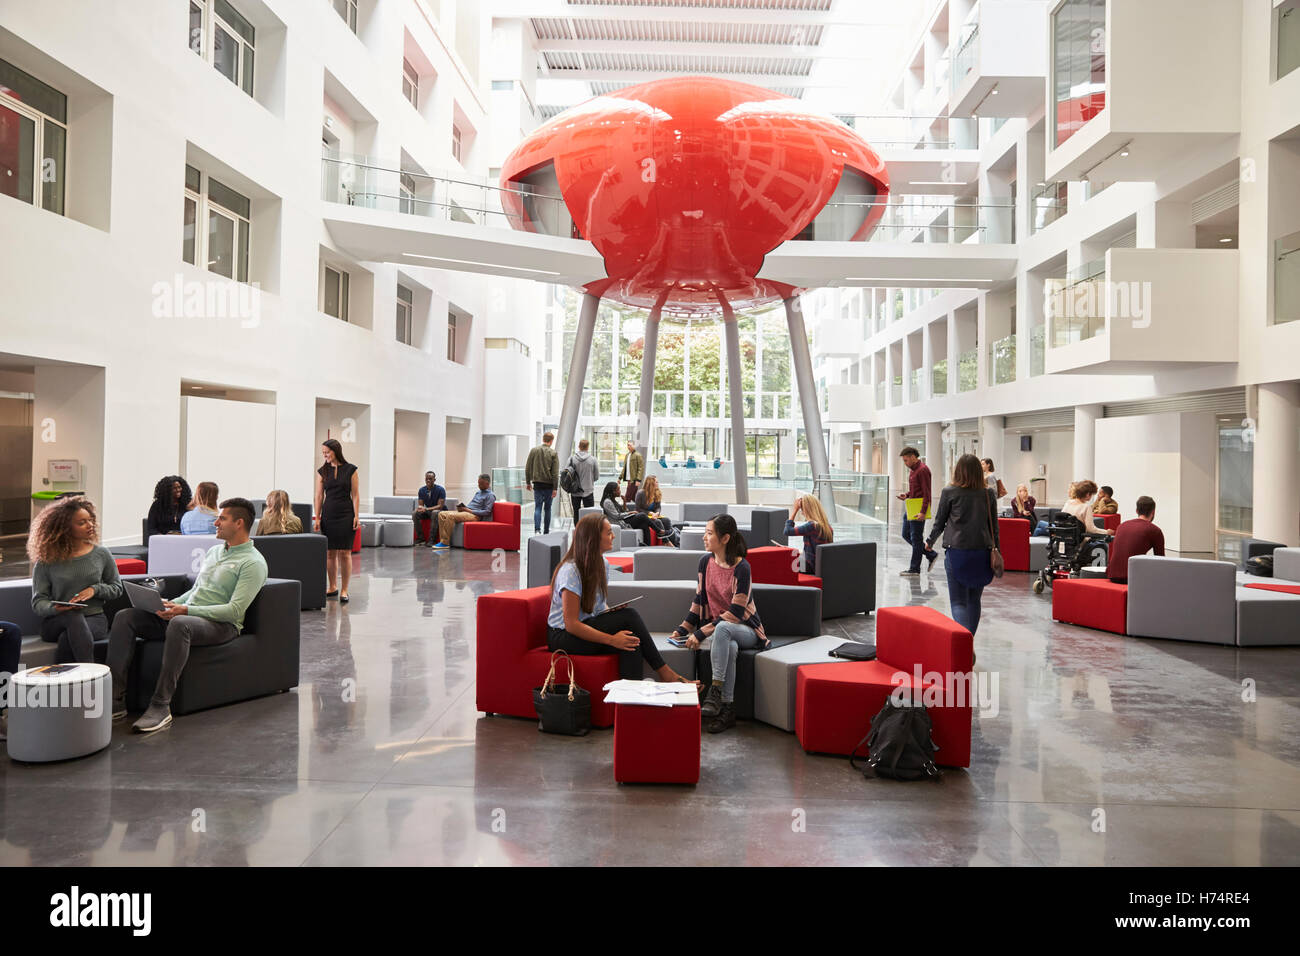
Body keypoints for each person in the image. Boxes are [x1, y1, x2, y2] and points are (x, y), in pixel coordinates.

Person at [107, 497, 268, 733]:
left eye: (222, 519)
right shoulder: (214, 551)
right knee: (125, 617)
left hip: (221, 625)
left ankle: (161, 706)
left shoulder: (253, 563)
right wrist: (173, 604)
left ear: (239, 523)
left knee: (180, 624)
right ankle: (115, 700)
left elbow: (234, 610)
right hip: (189, 616)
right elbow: (197, 591)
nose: (216, 524)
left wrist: (185, 611)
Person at [547, 513, 692, 684]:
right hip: (563, 636)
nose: (613, 536)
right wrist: (611, 639)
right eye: (608, 533)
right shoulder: (571, 570)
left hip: (585, 625)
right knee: (629, 617)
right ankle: (666, 672)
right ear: (593, 538)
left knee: (630, 640)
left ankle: (630, 700)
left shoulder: (602, 563)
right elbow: (571, 624)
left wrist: (609, 612)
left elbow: (596, 606)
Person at [675, 514, 769, 734]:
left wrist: (700, 633)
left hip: (747, 629)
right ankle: (728, 709)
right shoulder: (704, 562)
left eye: (709, 533)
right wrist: (683, 629)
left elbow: (736, 613)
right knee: (729, 644)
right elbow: (699, 600)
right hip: (722, 633)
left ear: (725, 538)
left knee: (725, 629)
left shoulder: (742, 567)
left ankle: (715, 691)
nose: (704, 537)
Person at [28, 497, 123, 664]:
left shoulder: (101, 554)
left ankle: (61, 684)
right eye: (82, 522)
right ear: (65, 528)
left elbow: (116, 588)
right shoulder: (47, 560)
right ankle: (92, 677)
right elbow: (39, 602)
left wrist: (95, 589)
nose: (90, 525)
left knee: (69, 637)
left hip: (95, 619)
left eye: (90, 520)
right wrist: (55, 608)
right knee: (72, 616)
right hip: (55, 621)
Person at [925, 454, 1000, 638]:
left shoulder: (950, 491)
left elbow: (940, 521)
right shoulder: (988, 493)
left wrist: (930, 541)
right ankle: (969, 642)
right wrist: (997, 549)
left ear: (958, 470)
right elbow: (994, 527)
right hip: (982, 551)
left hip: (957, 551)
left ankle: (963, 645)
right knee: (974, 599)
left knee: (958, 601)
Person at [314, 439, 359, 603]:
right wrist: (317, 517)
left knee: (345, 553)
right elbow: (319, 496)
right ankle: (332, 586)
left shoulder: (351, 470)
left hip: (346, 513)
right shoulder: (322, 471)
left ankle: (345, 590)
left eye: (327, 452)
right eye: (323, 452)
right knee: (330, 553)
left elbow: (355, 495)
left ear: (335, 451)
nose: (324, 455)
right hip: (328, 514)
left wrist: (356, 515)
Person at [897, 446, 939, 576]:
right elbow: (916, 490)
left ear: (913, 457)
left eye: (906, 460)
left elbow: (927, 493)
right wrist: (907, 494)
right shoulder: (912, 470)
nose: (905, 463)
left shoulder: (923, 470)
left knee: (916, 539)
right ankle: (930, 554)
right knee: (906, 534)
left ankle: (914, 569)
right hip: (911, 506)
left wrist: (922, 512)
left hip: (918, 509)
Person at [1107, 496, 1165, 584]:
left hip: (1112, 575)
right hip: (1133, 576)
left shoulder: (1122, 525)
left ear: (1136, 511)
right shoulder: (1155, 530)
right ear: (1153, 512)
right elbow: (1160, 560)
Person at [434, 473, 496, 549]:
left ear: (487, 483)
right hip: (466, 511)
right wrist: (463, 508)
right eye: (478, 483)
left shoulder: (490, 495)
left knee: (450, 516)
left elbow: (487, 512)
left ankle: (445, 543)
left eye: (481, 484)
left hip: (475, 515)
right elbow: (473, 504)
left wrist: (469, 510)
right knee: (442, 514)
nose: (479, 485)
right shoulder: (478, 492)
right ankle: (442, 540)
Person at [1061, 479, 1113, 565]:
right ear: (1088, 494)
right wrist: (1107, 532)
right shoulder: (1086, 507)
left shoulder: (1068, 503)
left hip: (1064, 541)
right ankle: (1097, 573)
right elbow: (1091, 529)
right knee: (1103, 545)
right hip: (1078, 543)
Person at [784, 493, 834, 573]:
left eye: (802, 509)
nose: (802, 513)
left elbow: (787, 531)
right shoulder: (827, 526)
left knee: (783, 561)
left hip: (810, 566)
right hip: (820, 566)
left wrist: (795, 510)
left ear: (807, 509)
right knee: (792, 554)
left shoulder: (812, 526)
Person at [525, 432, 559, 535]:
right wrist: (555, 488)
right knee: (548, 509)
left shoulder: (534, 450)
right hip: (549, 485)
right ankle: (546, 531)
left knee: (538, 507)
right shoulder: (553, 453)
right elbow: (555, 473)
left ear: (543, 439)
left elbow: (528, 468)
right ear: (551, 441)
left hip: (537, 485)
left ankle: (537, 530)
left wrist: (528, 482)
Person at [632, 474, 679, 547]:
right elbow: (638, 508)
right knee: (657, 522)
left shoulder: (657, 493)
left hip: (654, 515)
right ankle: (666, 542)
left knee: (666, 520)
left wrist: (657, 513)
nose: (658, 483)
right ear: (651, 483)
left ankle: (674, 543)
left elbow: (658, 507)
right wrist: (650, 513)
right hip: (644, 516)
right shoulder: (641, 493)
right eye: (656, 482)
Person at [566, 439, 600, 517]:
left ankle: (577, 528)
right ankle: (587, 529)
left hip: (575, 491)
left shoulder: (571, 459)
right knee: (589, 514)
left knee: (576, 513)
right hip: (588, 490)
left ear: (579, 446)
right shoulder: (593, 459)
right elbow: (596, 476)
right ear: (588, 447)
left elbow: (566, 474)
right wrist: (589, 480)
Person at [412, 471, 447, 546]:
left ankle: (432, 540)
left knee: (435, 513)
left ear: (434, 480)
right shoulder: (422, 490)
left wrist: (426, 509)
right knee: (415, 513)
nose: (428, 480)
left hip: (440, 512)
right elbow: (421, 505)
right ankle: (421, 539)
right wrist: (420, 508)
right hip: (429, 511)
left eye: (430, 479)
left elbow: (440, 506)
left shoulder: (440, 490)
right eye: (427, 479)